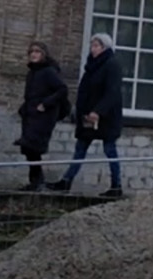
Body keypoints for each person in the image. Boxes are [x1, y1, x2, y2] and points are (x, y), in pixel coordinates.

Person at [53, 33, 126, 197]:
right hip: (87, 116)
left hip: (106, 117)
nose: (93, 49)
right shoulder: (91, 66)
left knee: (110, 149)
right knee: (80, 149)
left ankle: (116, 185)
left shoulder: (112, 65)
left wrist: (98, 111)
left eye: (96, 46)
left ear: (104, 47)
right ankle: (66, 181)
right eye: (92, 45)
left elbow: (112, 92)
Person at [15, 41, 70, 190]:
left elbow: (62, 90)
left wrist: (45, 104)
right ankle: (36, 180)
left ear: (43, 55)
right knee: (29, 150)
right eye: (31, 52)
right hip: (30, 115)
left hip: (43, 117)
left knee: (33, 147)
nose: (34, 54)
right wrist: (24, 109)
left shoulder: (48, 72)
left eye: (37, 52)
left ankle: (37, 181)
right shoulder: (32, 73)